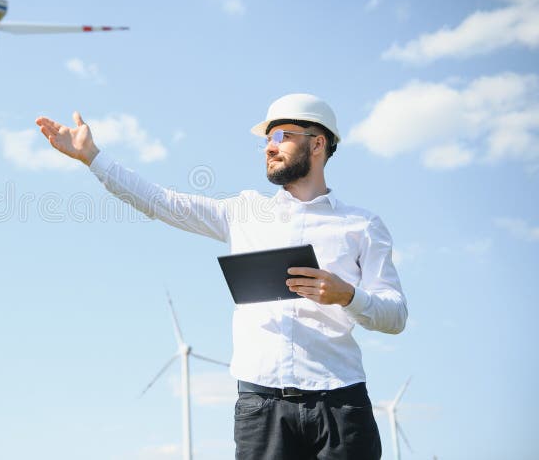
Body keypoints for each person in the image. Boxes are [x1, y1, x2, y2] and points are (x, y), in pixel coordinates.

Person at [35, 93, 407, 460]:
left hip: (341, 407)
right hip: (261, 409)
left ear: (318, 143)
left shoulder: (362, 225)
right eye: (266, 140)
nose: (269, 147)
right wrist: (93, 159)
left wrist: (347, 296)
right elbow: (162, 202)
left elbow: (396, 316)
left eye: (281, 136)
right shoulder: (244, 211)